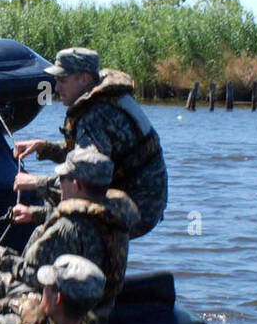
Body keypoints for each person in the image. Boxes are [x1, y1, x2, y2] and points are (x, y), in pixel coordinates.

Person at [0, 146, 138, 324]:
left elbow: (34, 276)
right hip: (97, 314)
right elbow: (83, 214)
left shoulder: (65, 231)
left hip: (57, 323)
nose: (59, 183)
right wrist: (36, 213)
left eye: (62, 178)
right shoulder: (115, 218)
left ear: (76, 184)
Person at [13, 47, 167, 238]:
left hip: (137, 208)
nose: (57, 88)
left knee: (60, 217)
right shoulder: (107, 100)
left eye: (63, 81)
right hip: (144, 200)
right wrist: (45, 147)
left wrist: (35, 182)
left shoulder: (96, 115)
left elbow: (89, 175)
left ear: (84, 79)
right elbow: (88, 154)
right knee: (58, 197)